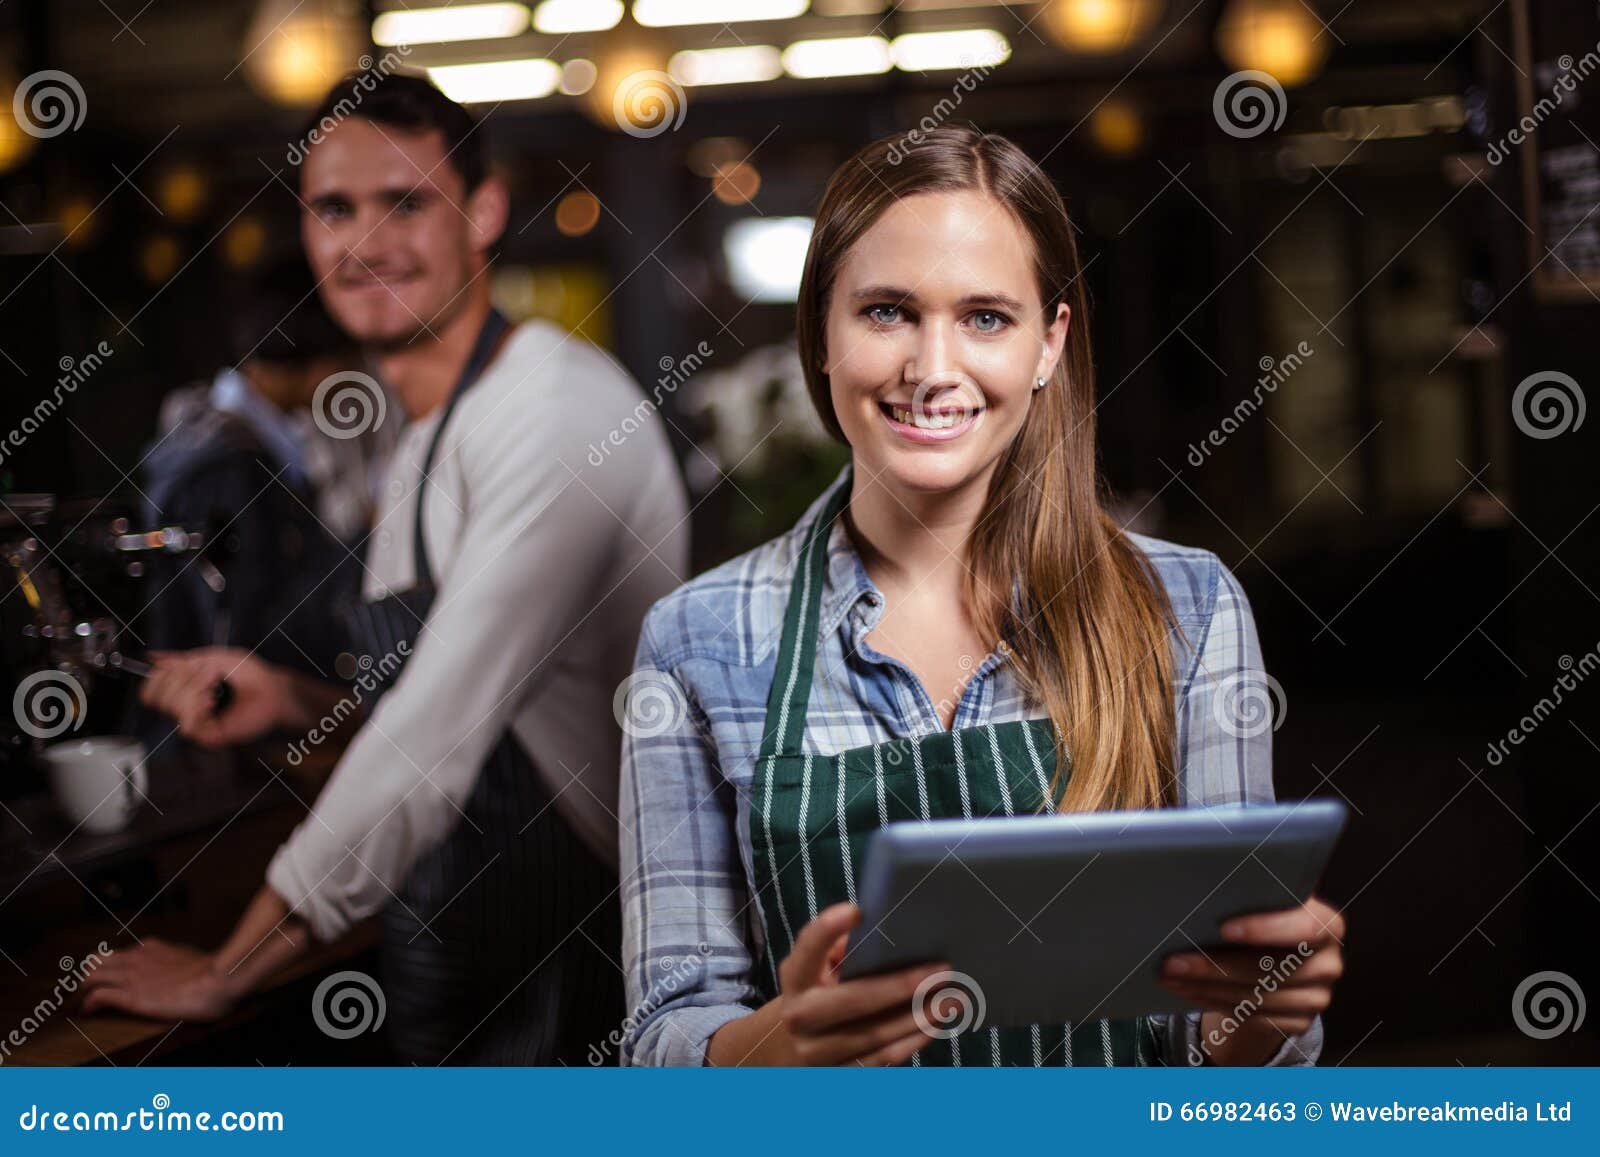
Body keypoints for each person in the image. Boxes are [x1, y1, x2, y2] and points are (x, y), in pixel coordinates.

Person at [618, 126, 1347, 1067]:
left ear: (1051, 343)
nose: (932, 369)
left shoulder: (1188, 609)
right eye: (886, 312)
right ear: (821, 338)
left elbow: (1231, 1066)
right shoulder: (695, 643)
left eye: (987, 318)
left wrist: (1263, 1007)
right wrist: (783, 1044)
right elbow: (662, 1046)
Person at [83, 74, 688, 1065]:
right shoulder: (416, 445)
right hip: (448, 960)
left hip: (574, 965)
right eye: (334, 209)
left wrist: (226, 967)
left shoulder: (556, 413)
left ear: (483, 212)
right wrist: (293, 699)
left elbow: (435, 734)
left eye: (405, 202)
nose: (365, 244)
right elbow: (470, 719)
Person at [140, 258, 386, 680]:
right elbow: (249, 633)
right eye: (350, 356)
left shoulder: (228, 442)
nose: (358, 374)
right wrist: (366, 542)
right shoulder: (227, 468)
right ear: (311, 358)